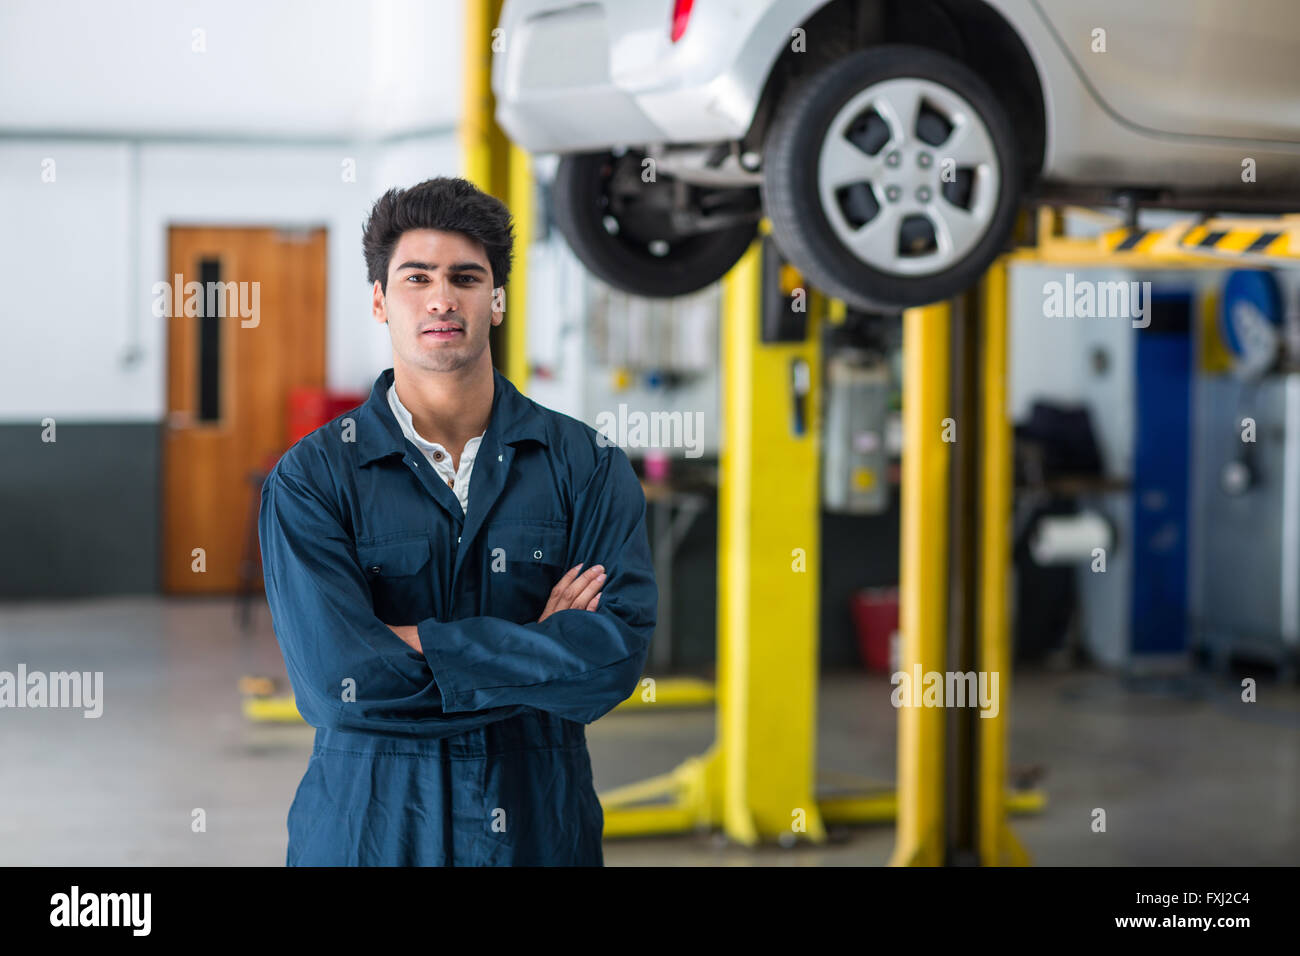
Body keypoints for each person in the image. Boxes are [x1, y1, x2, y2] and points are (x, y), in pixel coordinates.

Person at [258, 176, 657, 865]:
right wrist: (534, 646)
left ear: (495, 301)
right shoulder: (313, 478)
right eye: (417, 277)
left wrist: (413, 645)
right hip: (369, 832)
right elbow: (336, 683)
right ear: (381, 301)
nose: (442, 297)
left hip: (538, 832)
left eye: (465, 278)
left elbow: (610, 662)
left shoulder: (586, 466)